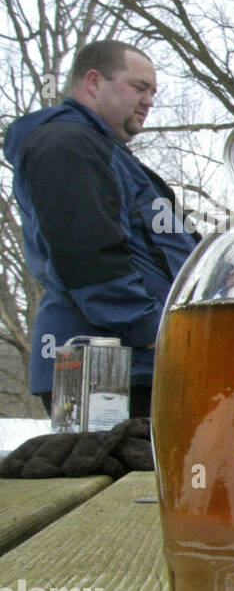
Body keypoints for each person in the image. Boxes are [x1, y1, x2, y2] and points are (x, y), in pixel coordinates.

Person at [2, 40, 199, 418]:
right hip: (107, 373)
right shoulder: (67, 144)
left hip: (140, 367)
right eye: (139, 88)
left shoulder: (107, 155)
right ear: (93, 81)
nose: (149, 102)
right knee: (126, 477)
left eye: (153, 92)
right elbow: (89, 259)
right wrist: (158, 334)